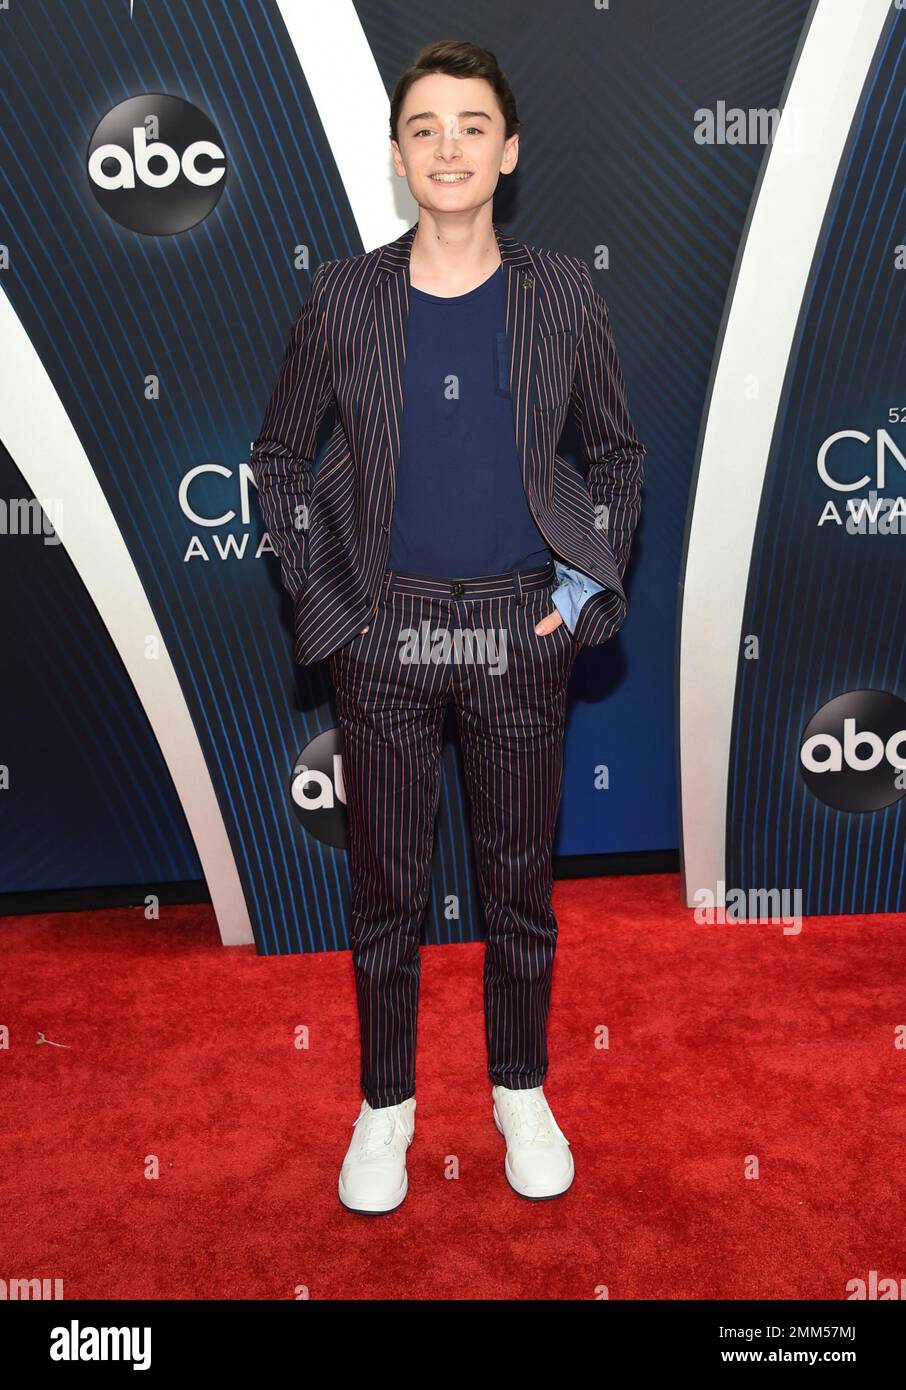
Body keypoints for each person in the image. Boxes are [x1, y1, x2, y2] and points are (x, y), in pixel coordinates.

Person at [250, 39, 646, 1214]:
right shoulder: (344, 294)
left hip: (522, 630)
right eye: (425, 128)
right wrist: (324, 593)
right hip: (387, 636)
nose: (449, 147)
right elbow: (280, 455)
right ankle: (386, 1105)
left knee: (519, 882)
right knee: (385, 885)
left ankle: (519, 1088)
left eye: (472, 126)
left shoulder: (565, 290)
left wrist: (578, 599)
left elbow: (617, 455)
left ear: (508, 152)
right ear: (396, 155)